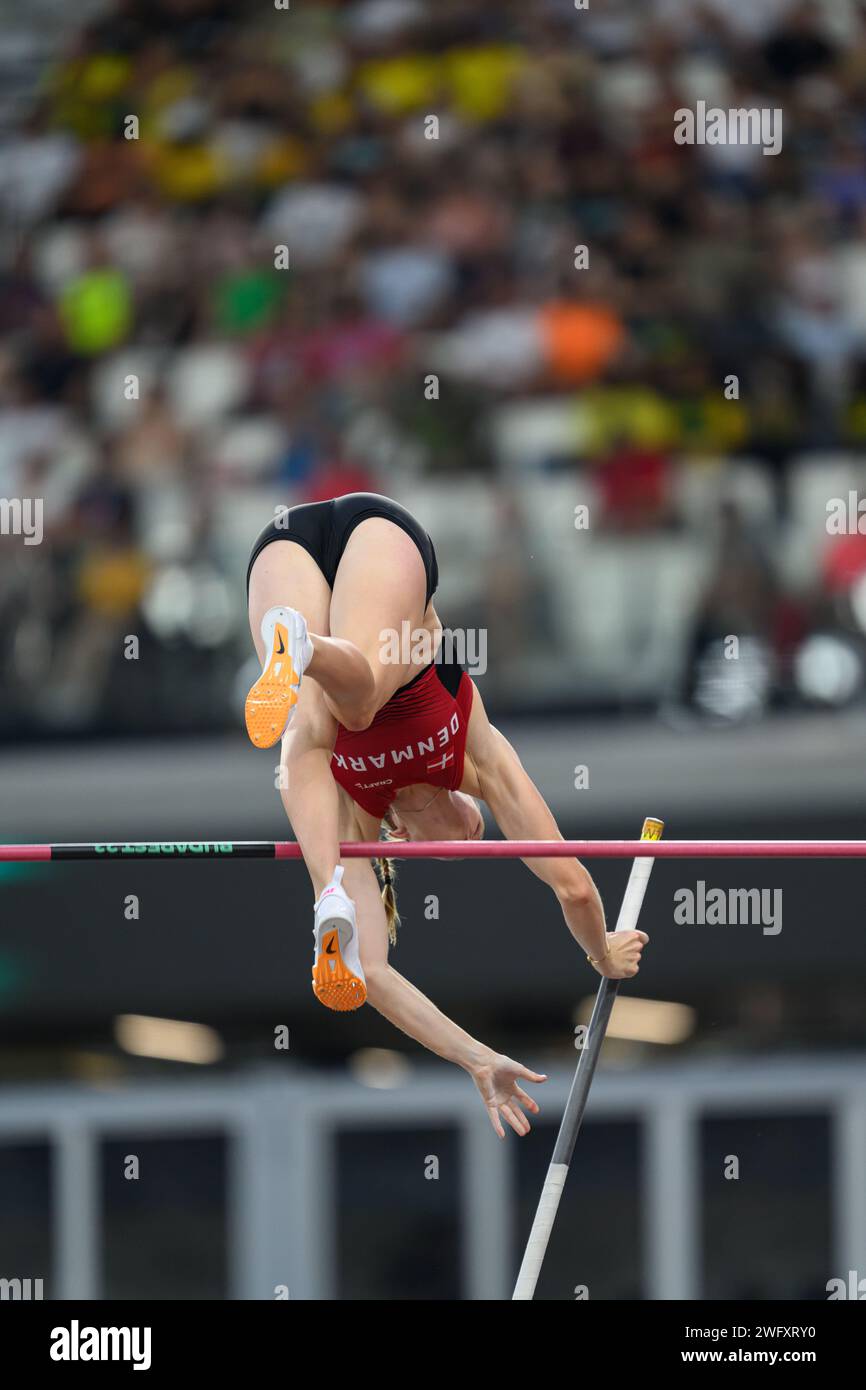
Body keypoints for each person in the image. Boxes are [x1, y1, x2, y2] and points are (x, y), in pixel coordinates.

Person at [245, 493, 648, 1139]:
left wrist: (476, 1058)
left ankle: (329, 894)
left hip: (284, 545)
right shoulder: (479, 760)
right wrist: (601, 953)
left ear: (403, 838)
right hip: (381, 541)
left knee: (313, 736)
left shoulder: (362, 816)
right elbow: (570, 882)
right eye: (486, 830)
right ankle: (297, 650)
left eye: (472, 839)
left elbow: (368, 974)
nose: (481, 823)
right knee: (356, 705)